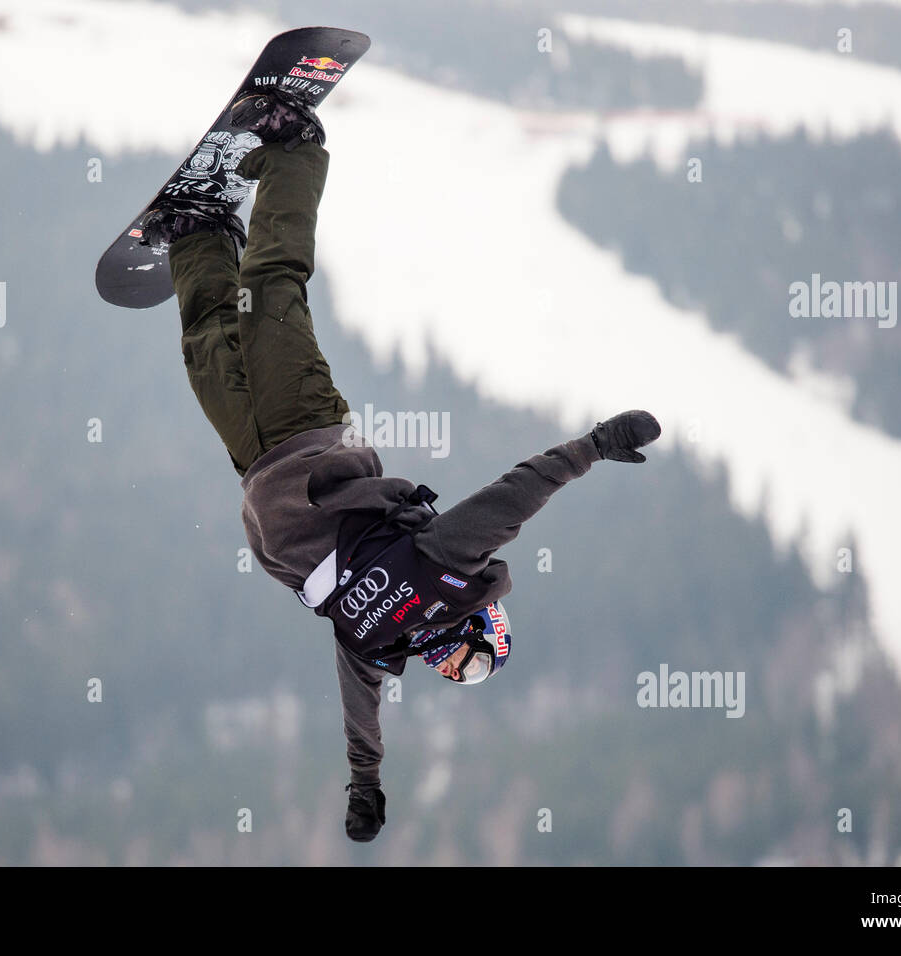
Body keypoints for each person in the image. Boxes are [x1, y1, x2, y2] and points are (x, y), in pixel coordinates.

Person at [144, 88, 662, 843]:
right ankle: (297, 151)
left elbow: (362, 714)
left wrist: (366, 784)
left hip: (258, 469)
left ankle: (197, 233)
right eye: (472, 665)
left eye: (460, 679)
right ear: (482, 624)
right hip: (308, 434)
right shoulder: (448, 569)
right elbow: (513, 496)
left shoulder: (378, 643)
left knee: (208, 349)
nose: (454, 672)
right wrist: (593, 445)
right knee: (270, 294)